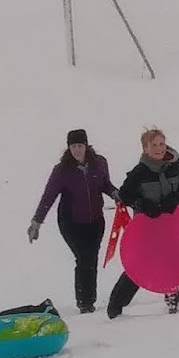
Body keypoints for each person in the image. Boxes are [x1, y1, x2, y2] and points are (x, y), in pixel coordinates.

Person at [29, 129, 119, 314]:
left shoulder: (99, 163)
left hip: (95, 221)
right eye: (73, 146)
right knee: (83, 257)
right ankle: (84, 302)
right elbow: (48, 197)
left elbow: (105, 184)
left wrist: (116, 194)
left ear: (86, 146)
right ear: (68, 148)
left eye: (80, 145)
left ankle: (89, 300)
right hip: (71, 222)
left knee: (91, 259)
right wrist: (37, 222)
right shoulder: (62, 171)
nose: (77, 150)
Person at [108, 128, 179, 318]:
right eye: (153, 145)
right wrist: (142, 204)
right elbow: (125, 195)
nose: (159, 148)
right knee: (141, 265)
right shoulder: (140, 172)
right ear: (145, 149)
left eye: (161, 144)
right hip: (147, 226)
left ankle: (177, 300)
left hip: (171, 224)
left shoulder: (174, 166)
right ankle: (115, 306)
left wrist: (176, 198)